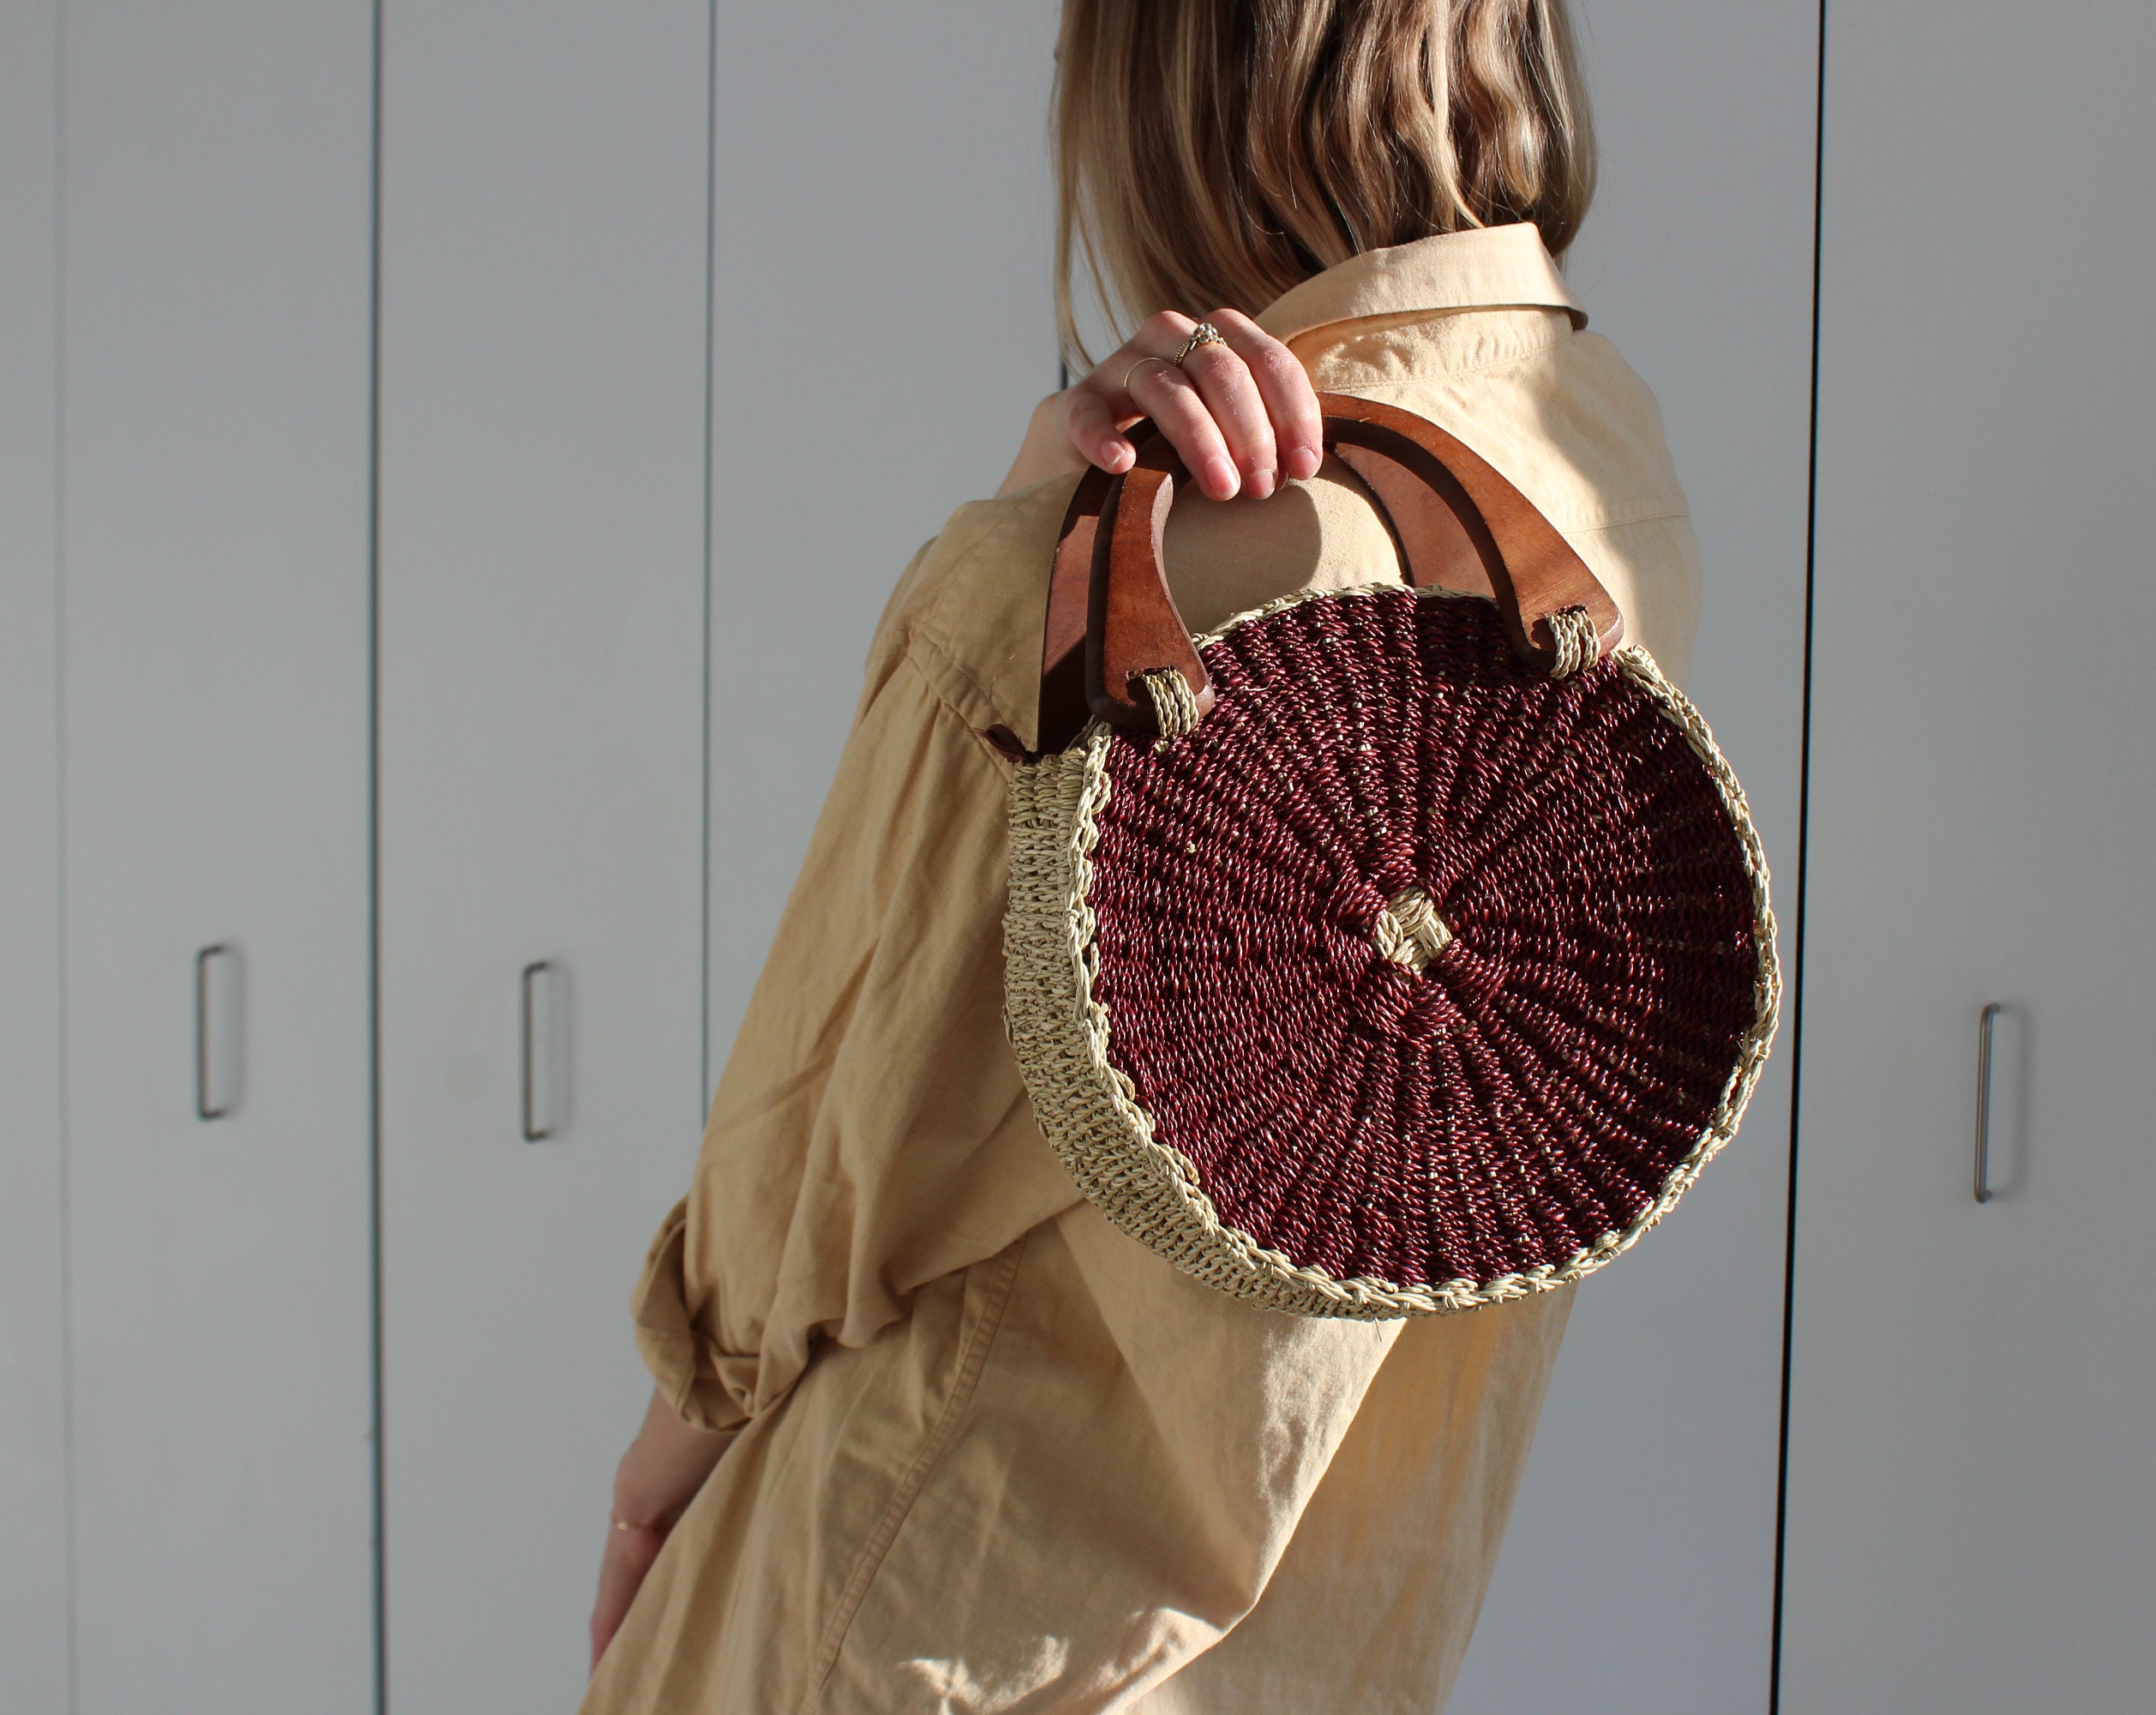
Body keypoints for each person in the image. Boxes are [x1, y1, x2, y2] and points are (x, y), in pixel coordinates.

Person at [580, 2, 1703, 1707]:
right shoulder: (1596, 469)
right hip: (1314, 1647)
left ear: (1186, 71)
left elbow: (829, 1130)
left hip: (926, 1621)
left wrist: (652, 1473)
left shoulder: (1132, 572)